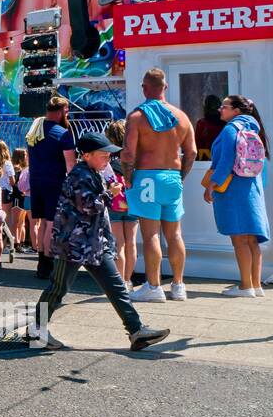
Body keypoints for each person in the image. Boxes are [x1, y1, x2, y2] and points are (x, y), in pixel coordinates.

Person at [29, 133, 171, 352]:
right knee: (58, 288)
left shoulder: (92, 173)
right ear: (86, 155)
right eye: (103, 153)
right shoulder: (79, 175)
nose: (108, 157)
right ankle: (37, 328)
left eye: (108, 153)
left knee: (116, 288)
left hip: (93, 244)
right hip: (74, 245)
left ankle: (136, 330)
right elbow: (88, 206)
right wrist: (109, 194)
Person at [124, 68, 196, 302]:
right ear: (165, 87)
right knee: (175, 234)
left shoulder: (136, 117)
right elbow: (192, 152)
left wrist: (128, 177)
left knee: (151, 234)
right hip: (172, 176)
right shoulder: (182, 117)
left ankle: (154, 287)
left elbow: (127, 154)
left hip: (147, 178)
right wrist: (181, 176)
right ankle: (178, 285)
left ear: (144, 88)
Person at [203, 95, 272, 297]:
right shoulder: (253, 128)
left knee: (240, 239)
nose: (219, 110)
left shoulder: (231, 129)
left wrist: (212, 185)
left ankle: (245, 286)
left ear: (236, 111)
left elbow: (226, 160)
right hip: (252, 188)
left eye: (224, 107)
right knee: (252, 240)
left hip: (234, 188)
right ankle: (255, 285)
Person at [25, 95, 77, 288]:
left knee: (41, 224)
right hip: (54, 183)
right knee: (50, 224)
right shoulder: (62, 133)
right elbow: (71, 164)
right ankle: (47, 264)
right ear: (62, 111)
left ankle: (41, 263)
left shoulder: (34, 132)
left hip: (36, 182)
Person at [104, 119, 137, 289]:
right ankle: (129, 280)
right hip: (132, 203)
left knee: (119, 244)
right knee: (131, 242)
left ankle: (120, 282)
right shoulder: (132, 156)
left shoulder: (108, 158)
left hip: (114, 203)